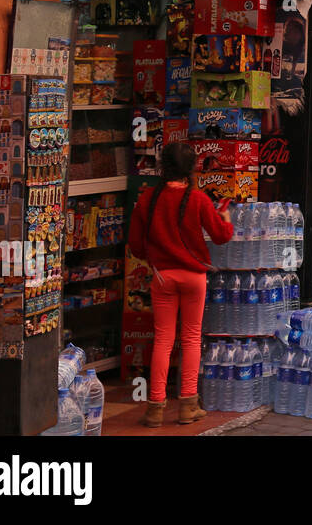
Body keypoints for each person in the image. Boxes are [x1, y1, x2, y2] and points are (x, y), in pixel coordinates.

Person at [127, 141, 233, 427]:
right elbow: (222, 236)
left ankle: (155, 409)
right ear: (192, 168)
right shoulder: (197, 199)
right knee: (191, 339)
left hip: (163, 278)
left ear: (162, 166)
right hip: (194, 278)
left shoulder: (147, 198)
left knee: (163, 340)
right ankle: (188, 405)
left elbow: (136, 245)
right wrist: (226, 218)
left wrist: (155, 259)